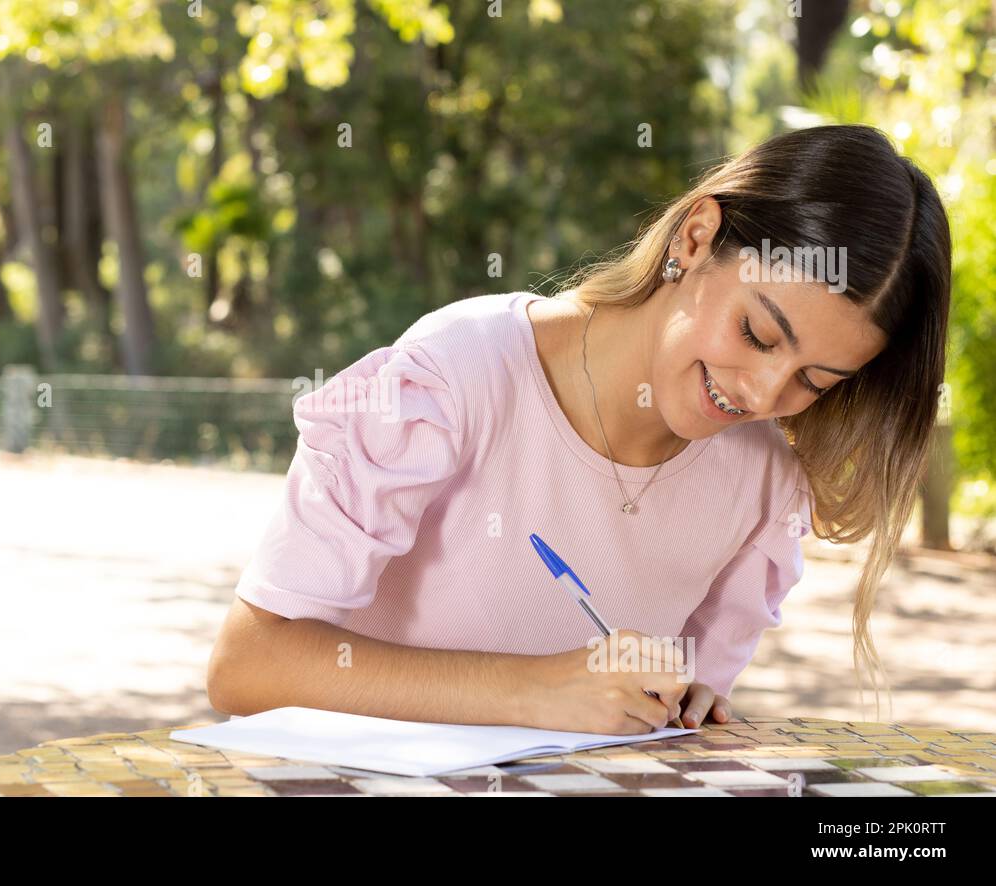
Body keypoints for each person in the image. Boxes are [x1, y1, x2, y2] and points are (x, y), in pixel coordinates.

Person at [207, 124, 952, 735]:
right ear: (696, 238)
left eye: (813, 381)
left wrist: (685, 709)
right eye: (756, 333)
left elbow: (667, 716)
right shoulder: (455, 378)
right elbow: (248, 664)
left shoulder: (761, 486)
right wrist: (533, 690)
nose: (762, 394)